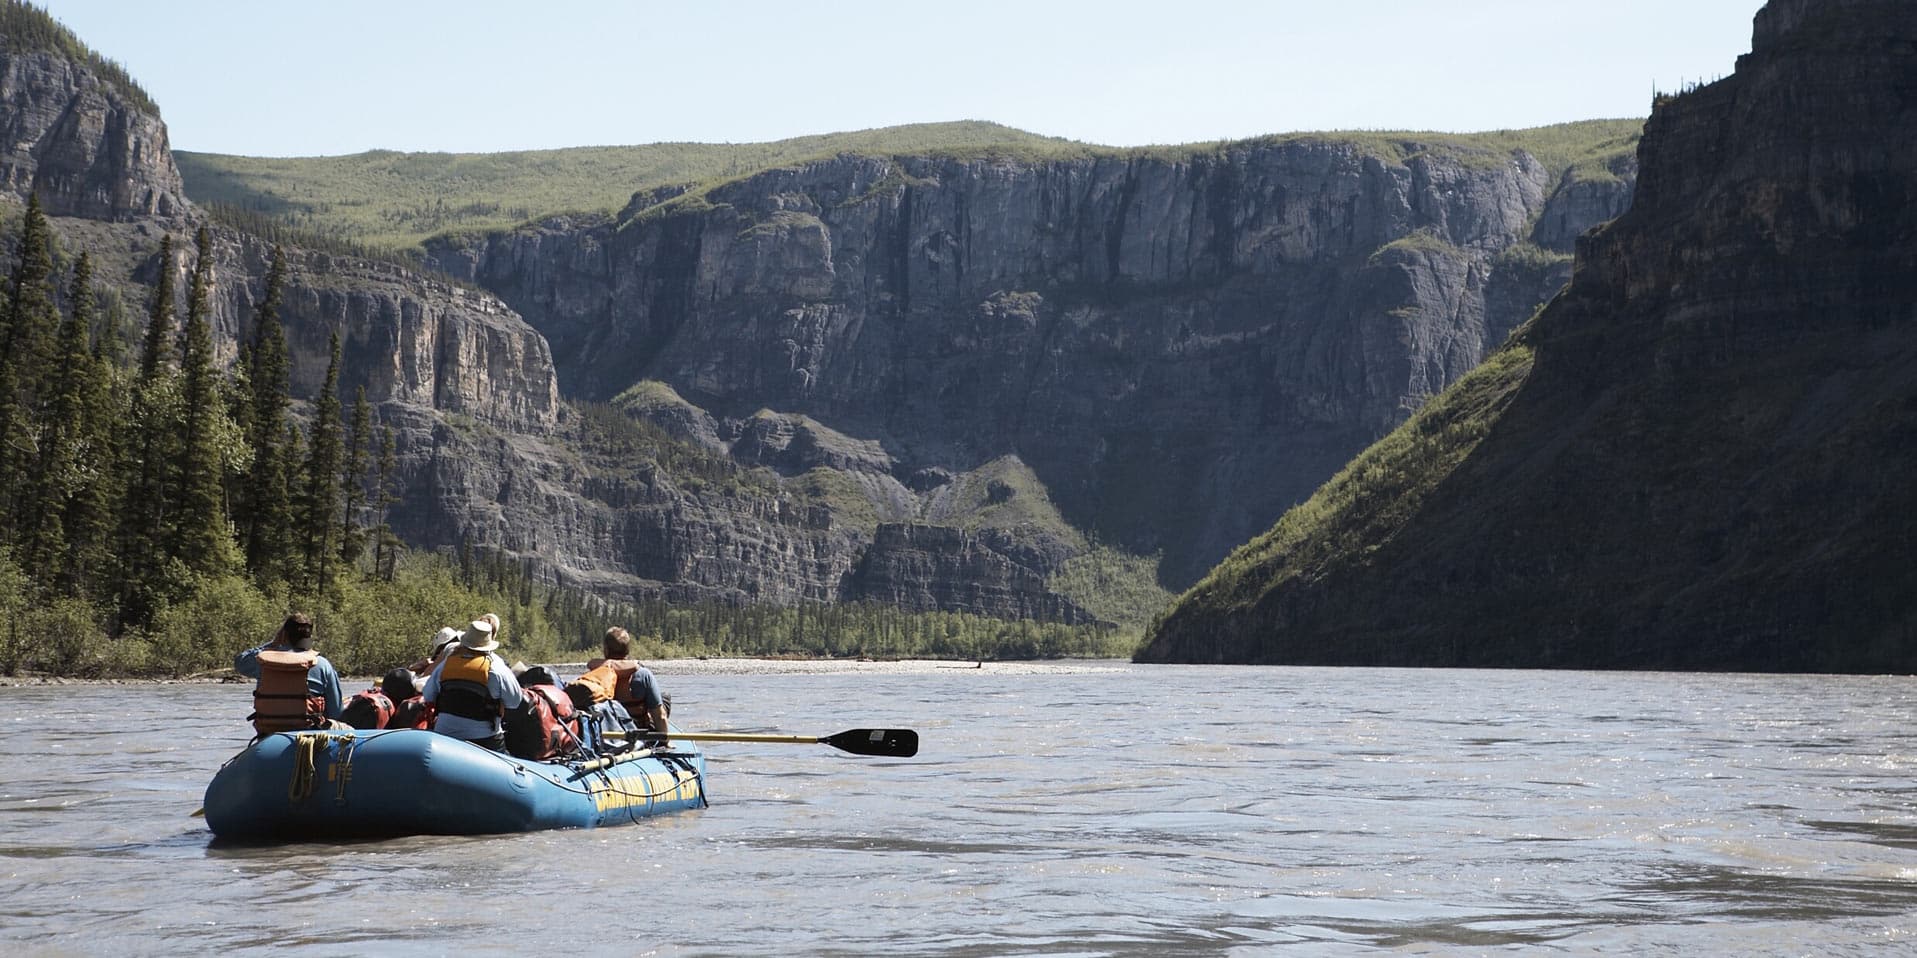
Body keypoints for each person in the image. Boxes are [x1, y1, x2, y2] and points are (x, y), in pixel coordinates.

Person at [420, 614, 523, 751]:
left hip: (444, 734)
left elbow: (428, 695)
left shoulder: (447, 664)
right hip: (484, 739)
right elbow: (515, 702)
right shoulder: (497, 667)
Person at [234, 612, 347, 735]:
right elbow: (336, 712)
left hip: (269, 731)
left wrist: (272, 643)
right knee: (346, 727)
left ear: (284, 634)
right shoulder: (322, 664)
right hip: (310, 733)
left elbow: (240, 661)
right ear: (309, 637)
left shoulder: (263, 662)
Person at [575, 626, 670, 746]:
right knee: (665, 698)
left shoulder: (594, 674)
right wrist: (666, 742)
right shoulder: (643, 675)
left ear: (606, 650)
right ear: (627, 650)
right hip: (638, 732)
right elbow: (660, 716)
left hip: (609, 732)